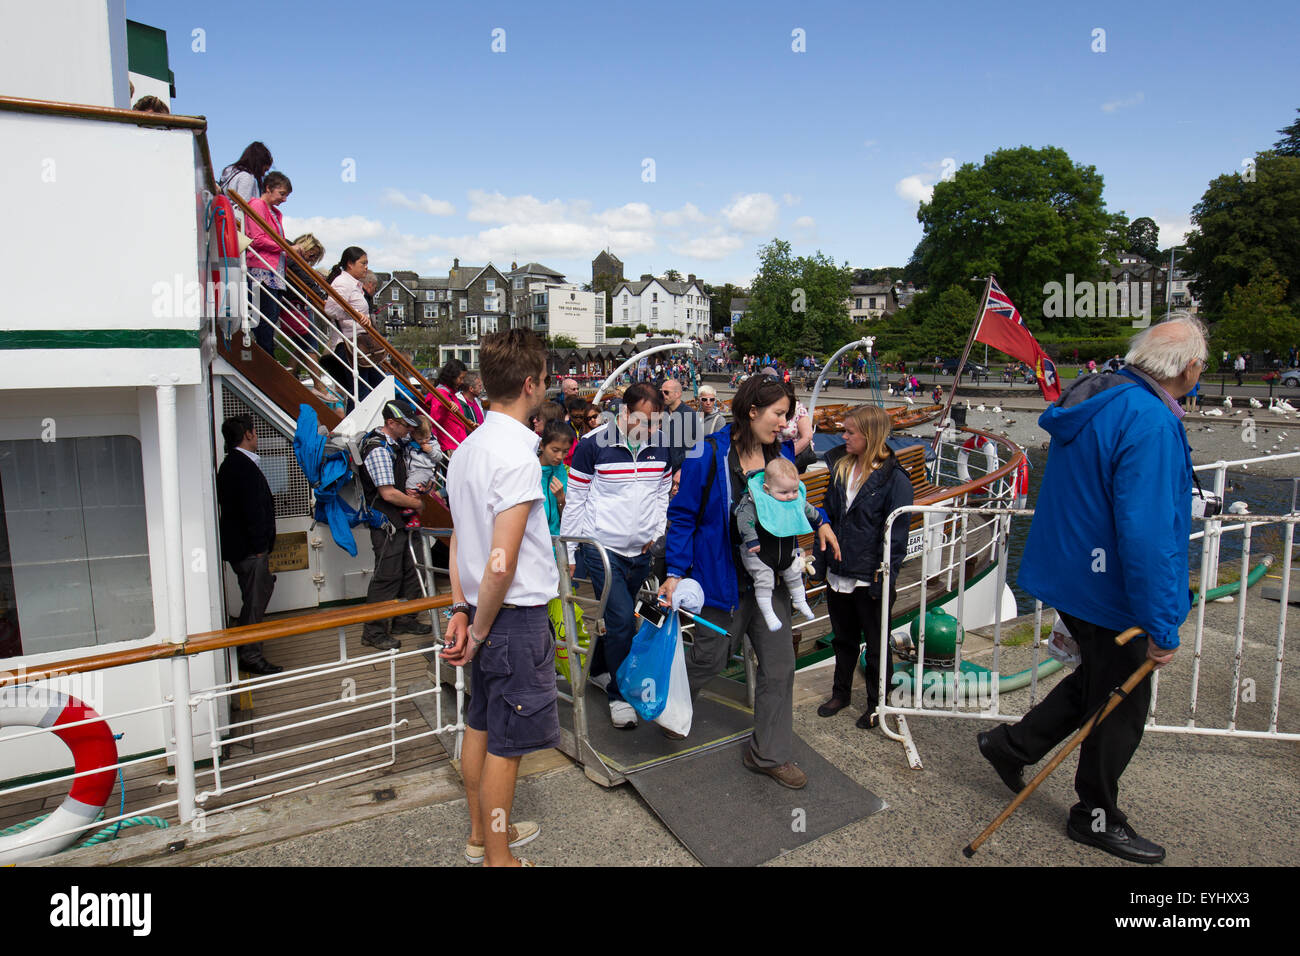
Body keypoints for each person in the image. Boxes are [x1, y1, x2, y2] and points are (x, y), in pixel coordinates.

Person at [976, 317, 1204, 865]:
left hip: (1074, 575)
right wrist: (1162, 620)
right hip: (1110, 590)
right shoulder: (1147, 420)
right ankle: (1094, 816)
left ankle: (1011, 746)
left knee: (1100, 682)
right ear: (1188, 368)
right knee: (1122, 705)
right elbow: (1147, 533)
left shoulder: (1104, 399)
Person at [660, 376, 839, 786]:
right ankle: (669, 704)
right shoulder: (706, 454)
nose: (784, 423)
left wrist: (823, 523)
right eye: (779, 414)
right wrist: (674, 573)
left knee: (779, 667)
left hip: (770, 583)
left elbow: (797, 501)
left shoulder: (781, 455)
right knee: (710, 659)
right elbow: (683, 516)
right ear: (752, 410)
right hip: (722, 581)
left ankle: (768, 754)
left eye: (787, 416)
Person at [440, 328, 557, 867]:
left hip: (482, 614)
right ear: (530, 384)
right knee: (506, 748)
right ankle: (499, 859)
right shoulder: (517, 457)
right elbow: (502, 562)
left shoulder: (465, 451)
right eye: (545, 382)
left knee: (480, 726)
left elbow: (462, 537)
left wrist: (461, 611)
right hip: (510, 620)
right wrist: (482, 627)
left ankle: (479, 835)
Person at [562, 383, 672, 729]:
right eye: (644, 420)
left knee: (624, 618)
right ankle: (619, 695)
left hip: (641, 550)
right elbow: (576, 498)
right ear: (624, 413)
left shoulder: (662, 447)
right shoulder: (592, 445)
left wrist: (656, 535)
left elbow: (661, 496)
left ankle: (599, 669)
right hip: (601, 549)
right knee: (623, 618)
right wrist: (568, 549)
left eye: (655, 422)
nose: (649, 428)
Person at [813, 405, 913, 727]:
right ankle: (841, 693)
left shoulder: (895, 480)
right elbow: (826, 514)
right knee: (843, 638)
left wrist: (885, 579)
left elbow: (896, 538)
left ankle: (877, 703)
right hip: (839, 570)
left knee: (876, 645)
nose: (843, 437)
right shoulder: (842, 467)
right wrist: (822, 558)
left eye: (850, 432)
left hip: (869, 575)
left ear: (868, 435)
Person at [356, 400, 433, 650]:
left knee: (412, 570)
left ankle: (405, 619)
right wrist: (417, 503)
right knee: (386, 577)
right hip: (387, 523)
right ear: (391, 423)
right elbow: (388, 493)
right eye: (405, 425)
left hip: (400, 521)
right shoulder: (378, 450)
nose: (410, 430)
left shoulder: (396, 445)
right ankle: (374, 632)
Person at [216, 415, 282, 675]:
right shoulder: (240, 466)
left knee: (254, 598)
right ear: (248, 434)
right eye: (255, 431)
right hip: (250, 550)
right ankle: (251, 655)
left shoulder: (234, 464)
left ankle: (247, 647)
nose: (257, 436)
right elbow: (250, 510)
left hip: (247, 548)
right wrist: (259, 547)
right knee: (255, 601)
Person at [734, 456, 823, 630]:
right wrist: (751, 539)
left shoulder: (792, 496)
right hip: (760, 553)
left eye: (795, 491)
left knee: (794, 572)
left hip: (786, 552)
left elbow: (805, 507)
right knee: (764, 579)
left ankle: (800, 601)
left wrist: (818, 518)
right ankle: (768, 613)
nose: (790, 496)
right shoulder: (756, 501)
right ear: (766, 489)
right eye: (784, 493)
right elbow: (744, 519)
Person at [245, 171, 292, 355]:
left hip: (274, 270)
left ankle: (267, 354)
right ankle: (266, 356)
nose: (284, 199)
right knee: (265, 316)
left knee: (270, 317)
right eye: (282, 193)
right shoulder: (257, 205)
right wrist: (285, 248)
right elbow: (256, 238)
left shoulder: (274, 212)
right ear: (268, 188)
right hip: (262, 269)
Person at [322, 246, 372, 409]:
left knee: (367, 389)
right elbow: (331, 309)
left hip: (358, 344)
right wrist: (356, 316)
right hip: (348, 345)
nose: (366, 267)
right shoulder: (343, 282)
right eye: (363, 263)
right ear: (350, 264)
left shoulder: (354, 284)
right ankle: (355, 428)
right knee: (360, 392)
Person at [400, 419, 442, 530]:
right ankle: (415, 517)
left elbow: (439, 457)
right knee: (415, 491)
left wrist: (430, 450)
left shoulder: (433, 443)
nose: (424, 441)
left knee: (410, 486)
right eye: (420, 439)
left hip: (424, 471)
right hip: (413, 471)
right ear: (412, 434)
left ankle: (412, 507)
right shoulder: (409, 441)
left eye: (427, 437)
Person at [659, 378, 700, 480]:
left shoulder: (690, 415)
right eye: (661, 392)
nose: (663, 395)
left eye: (666, 392)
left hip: (679, 473)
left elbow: (695, 447)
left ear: (678, 394)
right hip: (661, 471)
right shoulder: (661, 413)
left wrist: (681, 468)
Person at [539, 420, 575, 536]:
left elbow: (567, 517)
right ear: (542, 446)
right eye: (555, 450)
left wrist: (561, 500)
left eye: (565, 451)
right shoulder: (531, 471)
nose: (560, 456)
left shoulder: (562, 471)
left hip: (556, 544)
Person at [428, 359, 471, 453]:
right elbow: (434, 418)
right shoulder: (441, 394)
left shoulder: (450, 394)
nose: (462, 382)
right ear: (452, 377)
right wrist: (445, 407)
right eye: (460, 378)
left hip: (457, 444)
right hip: (450, 445)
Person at [219, 141, 273, 206]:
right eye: (265, 170)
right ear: (259, 164)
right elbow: (245, 208)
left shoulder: (229, 171)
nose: (263, 174)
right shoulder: (247, 177)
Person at [778, 382, 815, 470]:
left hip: (795, 456)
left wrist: (787, 456)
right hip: (775, 454)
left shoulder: (798, 409)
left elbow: (807, 437)